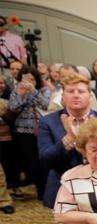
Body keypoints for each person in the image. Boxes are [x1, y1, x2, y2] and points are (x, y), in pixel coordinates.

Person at [38, 73, 97, 208]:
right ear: (63, 96)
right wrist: (69, 139)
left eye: (81, 91)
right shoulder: (48, 122)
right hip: (64, 188)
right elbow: (45, 159)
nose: (76, 95)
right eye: (70, 91)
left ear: (90, 96)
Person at [9, 65, 50, 201]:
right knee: (32, 163)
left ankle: (47, 189)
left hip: (43, 129)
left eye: (32, 79)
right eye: (26, 79)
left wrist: (33, 91)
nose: (29, 82)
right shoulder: (16, 91)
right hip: (23, 131)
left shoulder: (44, 90)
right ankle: (40, 192)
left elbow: (45, 105)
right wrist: (21, 94)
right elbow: (13, 108)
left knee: (44, 160)